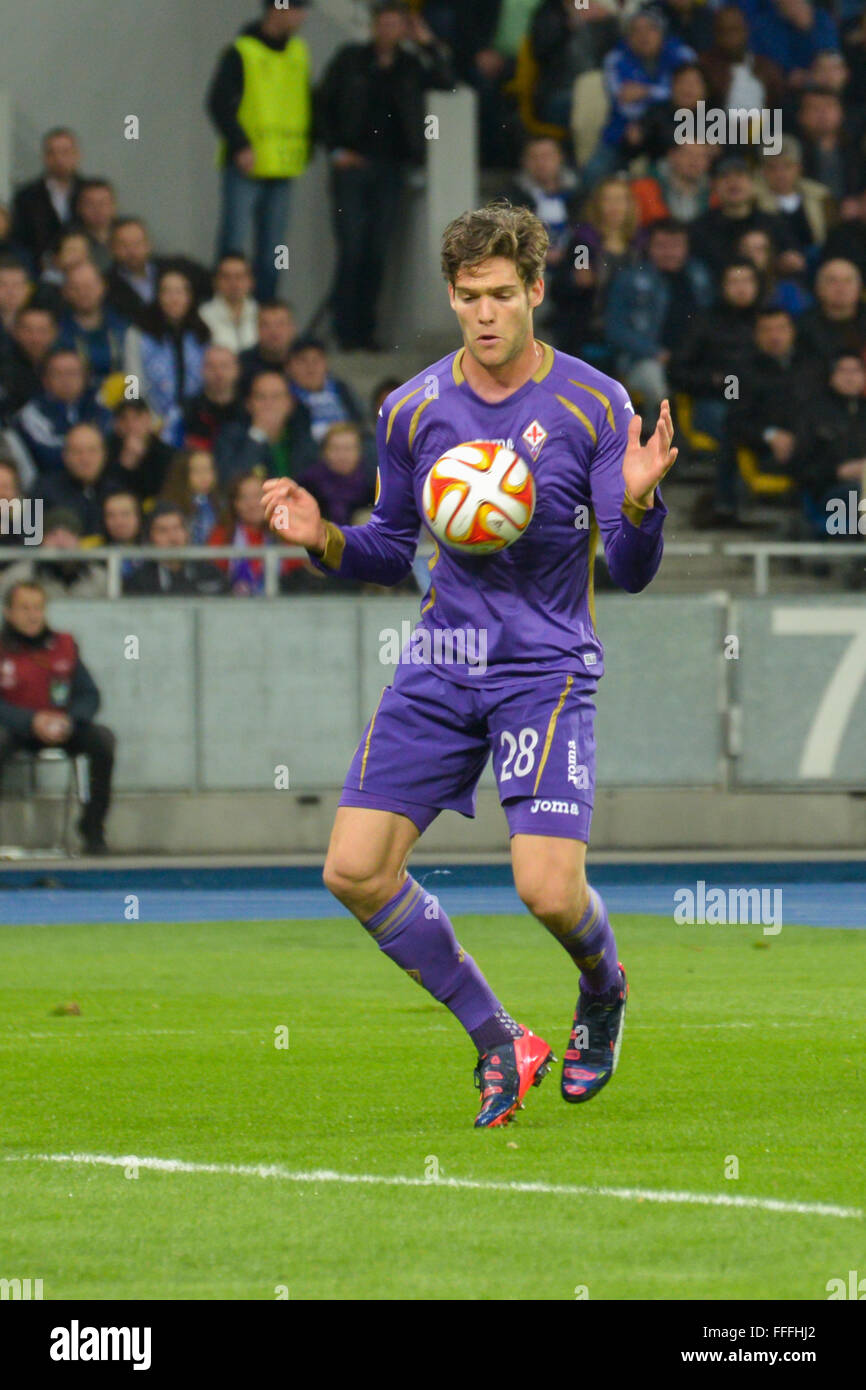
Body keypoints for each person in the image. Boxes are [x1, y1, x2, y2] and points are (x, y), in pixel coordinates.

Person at [262, 201, 677, 1128]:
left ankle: (602, 989)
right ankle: (499, 1038)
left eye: (501, 294)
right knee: (354, 870)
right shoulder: (411, 411)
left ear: (535, 290)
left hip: (546, 667)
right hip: (444, 658)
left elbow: (635, 573)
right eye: (466, 297)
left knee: (544, 888)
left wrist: (642, 507)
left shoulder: (593, 403)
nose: (484, 313)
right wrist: (321, 536)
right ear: (451, 296)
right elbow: (385, 550)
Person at [316, 1, 455, 350]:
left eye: (396, 24)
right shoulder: (350, 59)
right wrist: (333, 150)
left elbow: (447, 80)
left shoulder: (410, 65)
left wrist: (427, 43)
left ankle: (366, 333)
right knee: (352, 248)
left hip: (391, 169)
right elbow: (322, 105)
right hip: (353, 165)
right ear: (374, 25)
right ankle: (345, 332)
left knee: (377, 253)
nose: (389, 31)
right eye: (384, 23)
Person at [208, 0, 313, 301]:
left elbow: (304, 102)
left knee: (274, 251)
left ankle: (265, 316)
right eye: (296, 8)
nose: (301, 15)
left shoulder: (298, 51)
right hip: (247, 165)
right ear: (276, 9)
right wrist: (240, 145)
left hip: (283, 164)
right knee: (234, 246)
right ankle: (225, 314)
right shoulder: (242, 51)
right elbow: (218, 103)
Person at [0, 579, 115, 853]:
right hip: (14, 730)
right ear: (8, 613)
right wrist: (31, 721)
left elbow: (89, 694)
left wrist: (70, 720)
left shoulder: (64, 645)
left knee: (103, 740)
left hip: (61, 728)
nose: (32, 615)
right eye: (24, 608)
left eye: (38, 607)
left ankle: (92, 829)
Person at [605, 217, 713, 422]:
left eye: (676, 246)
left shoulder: (700, 275)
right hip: (646, 360)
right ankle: (666, 438)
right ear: (649, 247)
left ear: (686, 247)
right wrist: (655, 352)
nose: (669, 252)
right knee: (653, 379)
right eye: (661, 246)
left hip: (694, 359)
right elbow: (614, 329)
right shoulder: (630, 278)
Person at [123, 269, 210, 447]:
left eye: (180, 291)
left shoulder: (203, 333)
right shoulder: (138, 333)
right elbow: (132, 380)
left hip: (198, 419)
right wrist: (141, 415)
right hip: (154, 422)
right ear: (158, 296)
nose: (174, 298)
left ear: (190, 296)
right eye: (167, 291)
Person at [5, 348, 110, 484]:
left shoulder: (100, 401)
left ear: (85, 377)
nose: (66, 380)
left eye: (72, 373)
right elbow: (48, 456)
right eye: (58, 374)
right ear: (45, 379)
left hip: (102, 480)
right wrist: (88, 450)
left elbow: (111, 440)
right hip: (51, 483)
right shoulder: (33, 412)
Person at [792, 353, 866, 538]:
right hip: (830, 492)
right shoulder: (812, 413)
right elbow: (800, 467)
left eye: (856, 371)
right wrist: (839, 472)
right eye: (843, 371)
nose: (850, 376)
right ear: (831, 377)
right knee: (856, 493)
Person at [214, 370, 317, 483]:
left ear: (290, 404)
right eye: (261, 397)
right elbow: (230, 481)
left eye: (276, 397)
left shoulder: (303, 438)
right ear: (249, 404)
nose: (269, 404)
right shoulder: (230, 436)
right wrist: (257, 435)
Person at [106, 218, 211, 328]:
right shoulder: (106, 286)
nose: (132, 251)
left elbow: (214, 285)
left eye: (137, 243)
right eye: (124, 245)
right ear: (112, 249)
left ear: (148, 244)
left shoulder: (179, 267)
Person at [11, 128, 88, 267]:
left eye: (65, 152)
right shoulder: (26, 196)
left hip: (85, 269)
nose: (59, 159)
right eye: (52, 153)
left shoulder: (89, 192)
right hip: (41, 270)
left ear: (77, 155)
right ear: (44, 157)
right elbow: (21, 240)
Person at [0, 507, 108, 599]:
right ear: (42, 540)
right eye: (53, 534)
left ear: (78, 540)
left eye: (68, 534)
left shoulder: (99, 578)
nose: (60, 542)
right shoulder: (18, 577)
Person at [122, 502, 229, 596]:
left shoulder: (210, 574)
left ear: (187, 533)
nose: (173, 537)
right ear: (150, 538)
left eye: (177, 528)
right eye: (163, 531)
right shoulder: (139, 583)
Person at [56, 261, 128, 388]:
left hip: (124, 401)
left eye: (89, 286)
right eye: (75, 287)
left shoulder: (123, 328)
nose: (83, 293)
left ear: (103, 287)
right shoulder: (57, 333)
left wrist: (130, 401)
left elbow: (135, 374)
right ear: (65, 292)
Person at [36, 423, 115, 538]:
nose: (85, 459)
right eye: (77, 451)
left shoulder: (117, 490)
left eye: (92, 451)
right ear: (65, 455)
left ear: (104, 454)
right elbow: (28, 538)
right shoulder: (43, 490)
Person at [297, 423, 376, 528]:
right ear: (324, 452)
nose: (342, 455)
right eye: (335, 448)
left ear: (359, 452)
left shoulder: (372, 485)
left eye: (348, 449)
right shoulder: (307, 484)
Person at [797, 257, 866, 364]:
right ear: (818, 288)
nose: (841, 288)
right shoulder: (802, 327)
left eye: (848, 281)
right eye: (832, 281)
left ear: (859, 288)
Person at [104, 399, 175, 502]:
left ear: (148, 420)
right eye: (124, 419)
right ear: (117, 425)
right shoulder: (107, 450)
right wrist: (125, 465)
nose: (130, 425)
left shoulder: (165, 453)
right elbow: (106, 489)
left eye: (136, 418)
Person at [0, 305, 58, 423]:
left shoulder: (63, 364)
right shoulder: (3, 366)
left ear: (54, 333)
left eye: (42, 331)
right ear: (15, 332)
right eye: (28, 330)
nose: (35, 338)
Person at [182, 345, 245, 451]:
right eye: (211, 367)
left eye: (224, 366)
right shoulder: (186, 411)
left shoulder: (249, 409)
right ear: (201, 371)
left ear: (237, 370)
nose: (218, 373)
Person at [159, 449, 225, 544]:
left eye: (208, 469)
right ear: (182, 474)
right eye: (197, 471)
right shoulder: (169, 505)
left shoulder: (221, 503)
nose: (204, 476)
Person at [199, 254, 259, 352]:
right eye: (226, 277)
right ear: (215, 282)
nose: (233, 283)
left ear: (250, 281)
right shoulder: (203, 316)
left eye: (239, 277)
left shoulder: (260, 313)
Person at [238, 299, 297, 391]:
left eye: (280, 324)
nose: (273, 331)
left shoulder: (306, 359)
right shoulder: (242, 365)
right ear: (257, 330)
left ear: (292, 328)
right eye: (266, 325)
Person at [72, 179, 118, 273]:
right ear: (79, 208)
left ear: (114, 206)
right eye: (90, 204)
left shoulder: (125, 233)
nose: (97, 209)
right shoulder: (70, 239)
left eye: (103, 203)